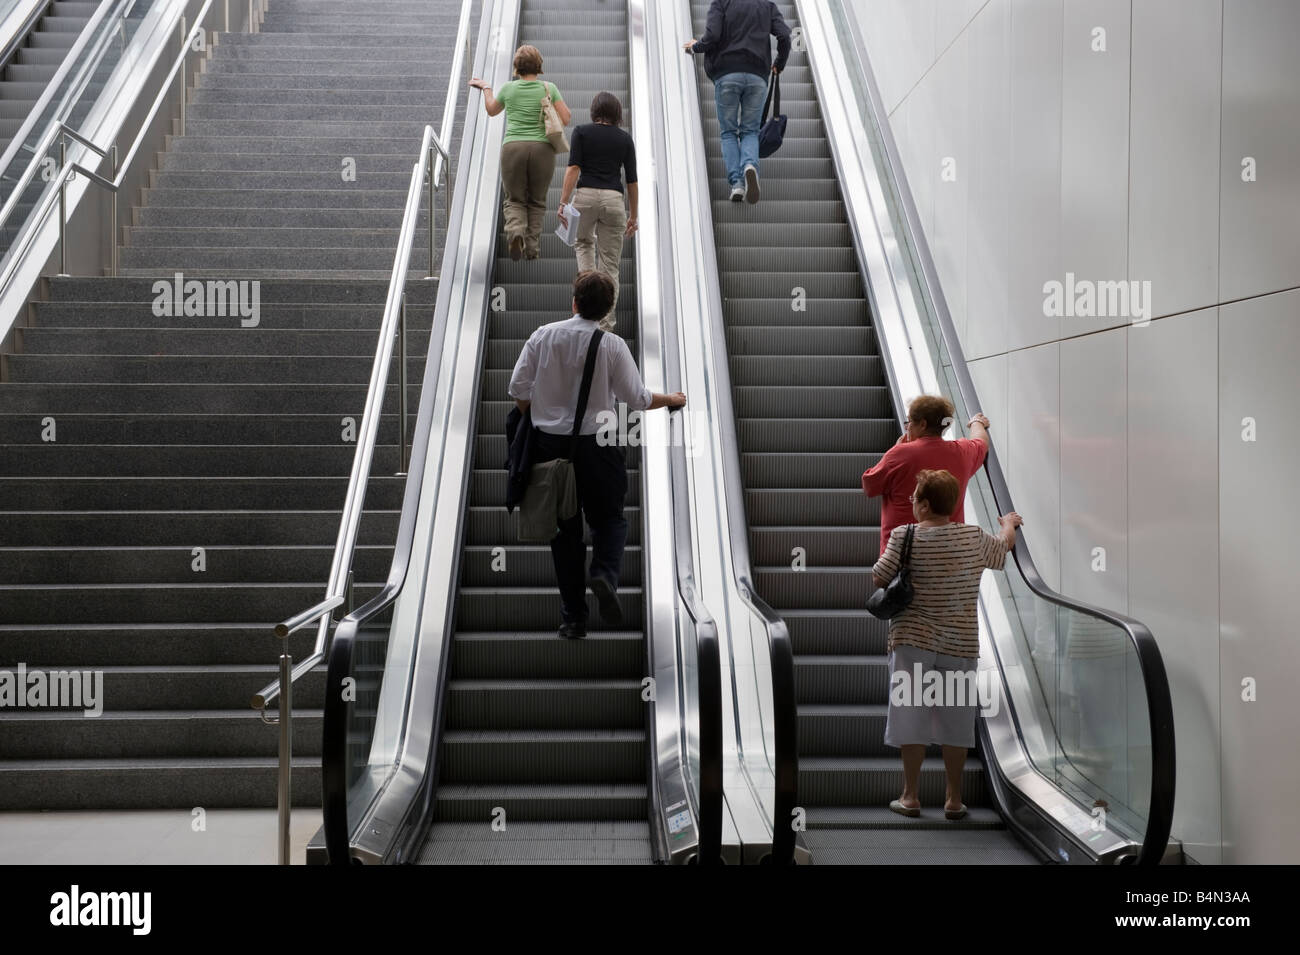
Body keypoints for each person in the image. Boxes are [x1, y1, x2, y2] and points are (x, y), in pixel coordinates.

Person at [508, 272, 687, 639]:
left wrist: (540, 417)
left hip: (547, 448)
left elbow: (518, 390)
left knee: (565, 535)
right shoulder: (612, 345)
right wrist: (671, 399)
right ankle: (604, 574)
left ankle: (573, 618)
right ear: (607, 310)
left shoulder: (542, 336)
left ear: (573, 301)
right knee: (609, 519)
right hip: (598, 445)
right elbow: (637, 399)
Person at [871, 468, 1022, 819]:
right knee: (957, 721)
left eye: (914, 498)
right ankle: (953, 799)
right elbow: (1003, 550)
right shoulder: (972, 536)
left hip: (912, 641)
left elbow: (880, 575)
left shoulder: (903, 535)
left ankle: (910, 797)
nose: (911, 502)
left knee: (911, 716)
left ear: (924, 505)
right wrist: (1009, 524)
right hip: (959, 642)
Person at [469, 45, 571, 260]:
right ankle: (532, 247)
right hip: (542, 149)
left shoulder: (508, 88)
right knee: (536, 201)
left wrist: (487, 88)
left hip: (513, 147)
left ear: (516, 67)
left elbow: (492, 110)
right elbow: (566, 117)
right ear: (539, 66)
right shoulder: (548, 88)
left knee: (515, 199)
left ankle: (515, 232)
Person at [684, 0, 791, 204]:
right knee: (750, 131)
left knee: (729, 132)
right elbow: (784, 36)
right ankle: (750, 165)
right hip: (757, 76)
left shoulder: (722, 3)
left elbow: (712, 36)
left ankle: (737, 184)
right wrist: (779, 63)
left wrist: (696, 46)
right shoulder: (767, 6)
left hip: (727, 73)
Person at [863, 395, 990, 557]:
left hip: (901, 555)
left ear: (922, 424)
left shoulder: (899, 454)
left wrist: (895, 450)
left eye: (909, 422)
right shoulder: (962, 452)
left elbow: (869, 486)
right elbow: (981, 442)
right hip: (946, 554)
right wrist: (977, 422)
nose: (907, 427)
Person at [558, 92, 638, 332]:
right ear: (617, 113)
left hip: (586, 197)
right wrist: (633, 216)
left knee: (583, 244)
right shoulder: (625, 139)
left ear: (594, 111)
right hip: (614, 201)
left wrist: (563, 202)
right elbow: (632, 181)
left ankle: (585, 313)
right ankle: (605, 325)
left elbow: (573, 168)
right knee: (610, 265)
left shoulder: (582, 132)